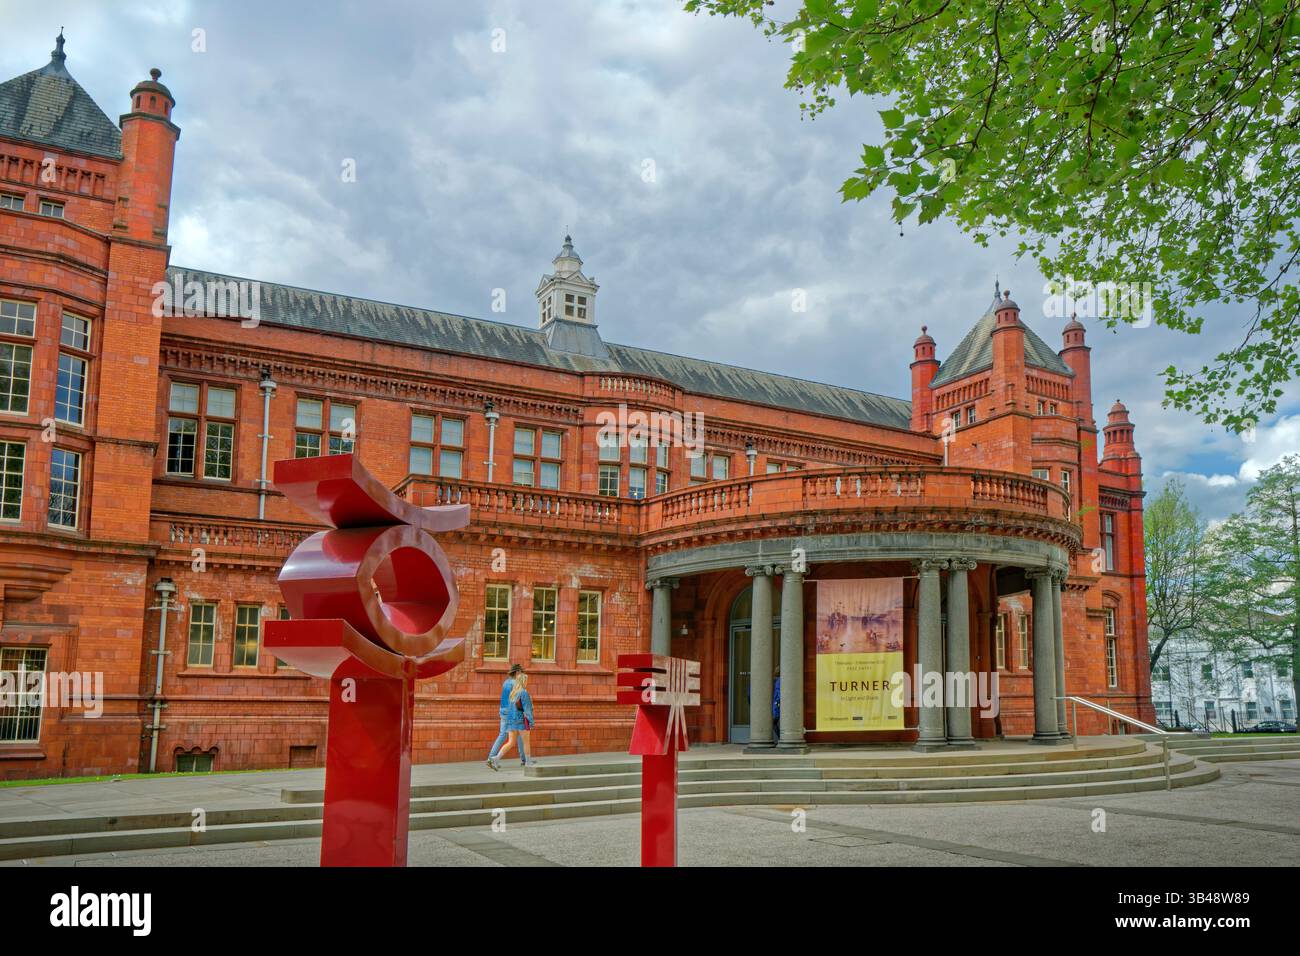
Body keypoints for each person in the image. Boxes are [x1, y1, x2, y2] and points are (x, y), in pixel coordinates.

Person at [486, 665, 524, 771]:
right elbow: (516, 700)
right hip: (511, 713)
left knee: (505, 735)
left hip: (503, 711)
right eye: (521, 672)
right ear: (517, 673)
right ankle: (492, 759)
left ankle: (491, 758)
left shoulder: (506, 682)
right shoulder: (516, 684)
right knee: (515, 737)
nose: (522, 675)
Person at [497, 672, 536, 769]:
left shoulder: (513, 693)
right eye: (526, 681)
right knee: (526, 742)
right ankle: (528, 762)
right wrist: (531, 722)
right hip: (522, 721)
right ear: (523, 681)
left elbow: (510, 708)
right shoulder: (524, 692)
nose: (527, 682)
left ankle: (495, 759)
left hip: (511, 720)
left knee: (510, 742)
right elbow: (527, 709)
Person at [772, 666, 781, 744]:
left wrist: (777, 703)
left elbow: (778, 694)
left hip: (777, 705)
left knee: (774, 722)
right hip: (777, 704)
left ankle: (780, 738)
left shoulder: (778, 681)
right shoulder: (778, 681)